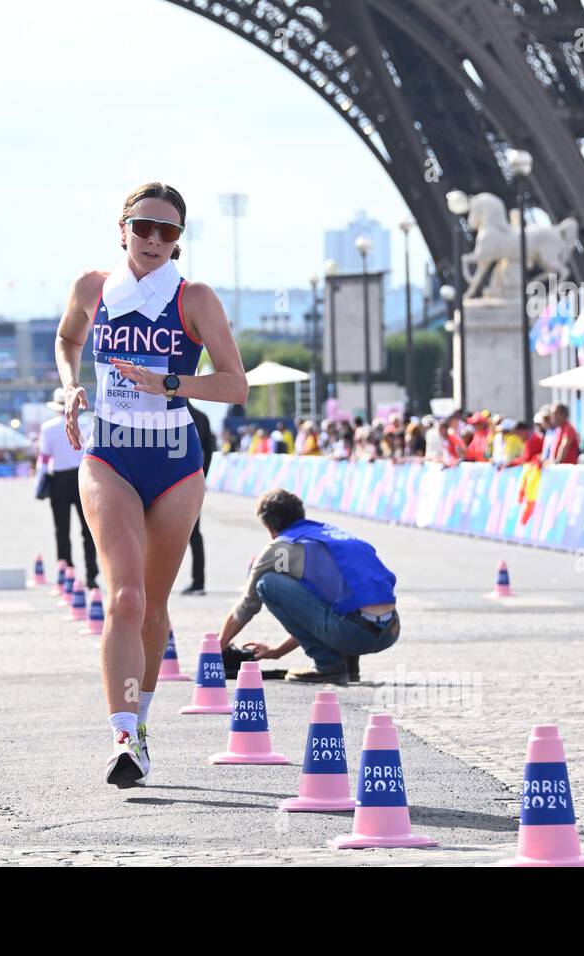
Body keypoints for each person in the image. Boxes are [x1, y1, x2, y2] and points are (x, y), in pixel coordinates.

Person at [54, 181, 247, 788]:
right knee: (125, 598)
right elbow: (66, 339)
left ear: (180, 241)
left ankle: (140, 722)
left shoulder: (195, 300)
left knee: (155, 606)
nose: (155, 240)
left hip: (173, 456)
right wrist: (71, 384)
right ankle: (121, 736)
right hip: (110, 451)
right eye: (145, 227)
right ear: (123, 229)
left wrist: (169, 385)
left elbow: (235, 385)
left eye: (169, 232)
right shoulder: (92, 288)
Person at [217, 489, 399, 686]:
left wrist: (215, 649)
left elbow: (246, 607)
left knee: (268, 583)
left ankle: (329, 666)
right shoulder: (333, 535)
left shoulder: (280, 547)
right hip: (390, 630)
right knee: (338, 599)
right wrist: (278, 651)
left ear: (268, 526)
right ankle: (347, 665)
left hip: (353, 634)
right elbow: (312, 618)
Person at [38, 387, 99, 589]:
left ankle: (66, 572)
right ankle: (91, 574)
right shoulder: (87, 423)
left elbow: (43, 460)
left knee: (61, 529)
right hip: (83, 476)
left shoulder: (48, 428)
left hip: (59, 480)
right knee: (88, 529)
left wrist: (40, 484)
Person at [182, 400, 215, 595]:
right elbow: (210, 452)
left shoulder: (171, 413)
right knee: (195, 533)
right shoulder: (202, 417)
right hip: (194, 479)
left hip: (169, 478)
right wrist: (202, 476)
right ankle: (199, 580)